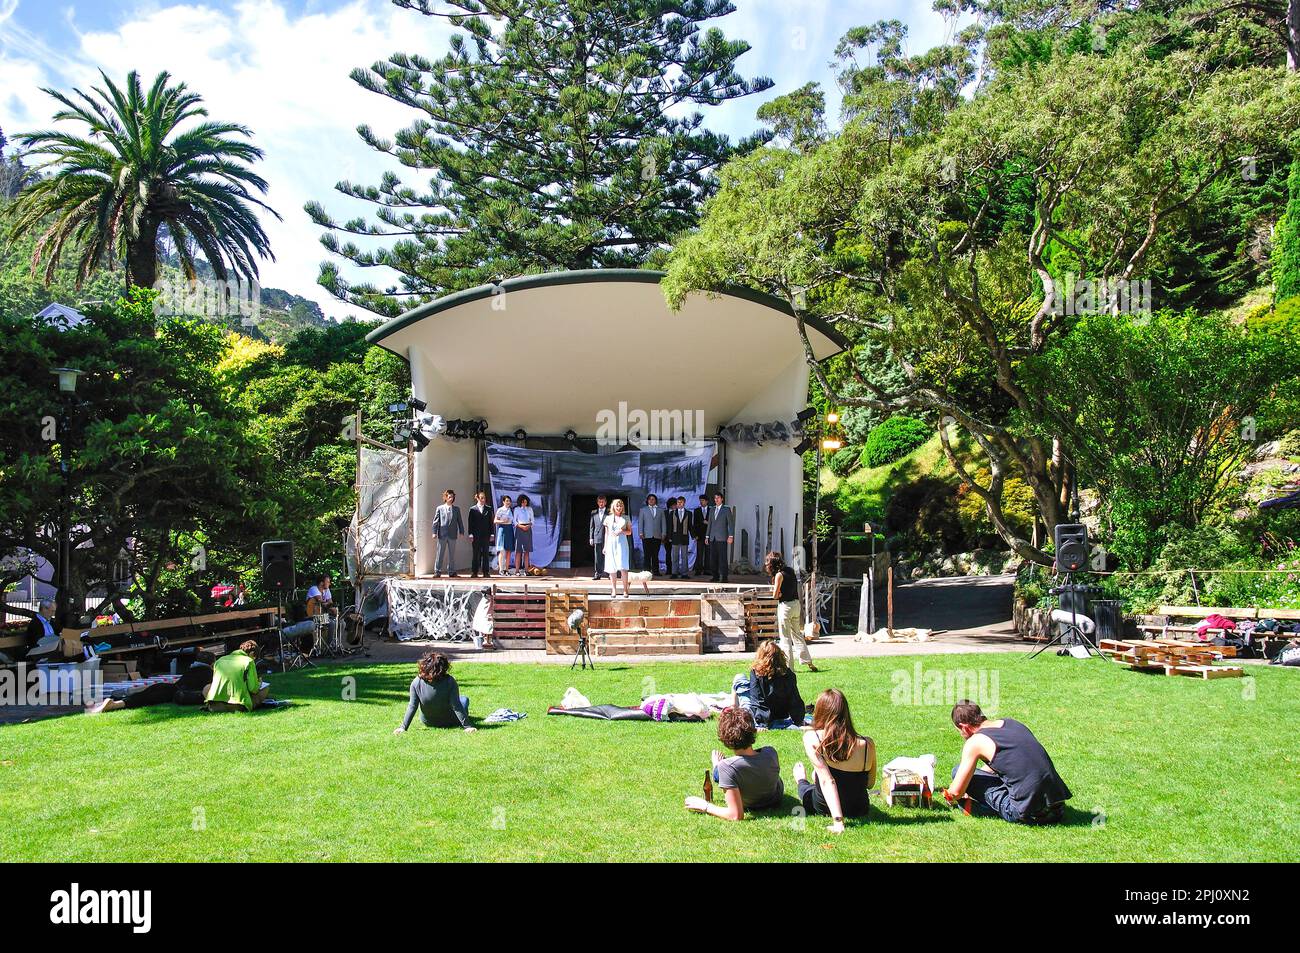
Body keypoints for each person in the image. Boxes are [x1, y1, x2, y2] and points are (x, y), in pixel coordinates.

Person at [941, 700, 1072, 824]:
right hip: (1058, 808)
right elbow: (1007, 762)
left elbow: (956, 792)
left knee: (957, 771)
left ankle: (981, 808)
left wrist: (949, 796)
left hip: (1030, 814)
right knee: (972, 777)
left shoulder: (975, 741)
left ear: (964, 727)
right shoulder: (1012, 723)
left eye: (959, 731)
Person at [794, 689, 875, 832]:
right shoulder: (867, 743)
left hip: (824, 806)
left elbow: (828, 781)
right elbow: (870, 784)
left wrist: (838, 821)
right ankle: (811, 778)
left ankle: (801, 779)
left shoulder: (813, 737)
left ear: (820, 711)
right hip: (859, 808)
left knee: (806, 790)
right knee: (817, 776)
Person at [684, 706, 783, 821]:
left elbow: (735, 815)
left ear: (725, 738)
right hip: (775, 799)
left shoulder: (727, 767)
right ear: (752, 731)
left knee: (721, 771)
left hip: (751, 803)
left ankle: (716, 767)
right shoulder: (770, 752)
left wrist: (705, 806)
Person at [394, 651, 475, 733]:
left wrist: (403, 727)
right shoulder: (450, 681)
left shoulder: (416, 682)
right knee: (464, 700)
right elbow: (456, 705)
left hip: (427, 721)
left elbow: (412, 706)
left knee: (462, 699)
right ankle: (463, 719)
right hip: (450, 721)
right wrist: (467, 726)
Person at [734, 640, 804, 728]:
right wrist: (798, 720)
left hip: (761, 716)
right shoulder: (788, 673)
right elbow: (795, 699)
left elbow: (756, 700)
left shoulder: (756, 672)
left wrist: (762, 724)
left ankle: (733, 707)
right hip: (781, 715)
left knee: (739, 677)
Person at [767, 551, 815, 671]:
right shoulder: (790, 570)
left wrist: (779, 594)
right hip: (796, 605)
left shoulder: (779, 575)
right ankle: (808, 661)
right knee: (797, 634)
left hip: (785, 607)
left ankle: (789, 667)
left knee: (785, 638)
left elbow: (775, 595)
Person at [204, 641, 269, 712]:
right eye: (254, 657)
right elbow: (253, 688)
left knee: (207, 687)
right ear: (252, 653)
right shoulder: (249, 661)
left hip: (215, 705)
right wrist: (259, 684)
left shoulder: (219, 661)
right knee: (265, 688)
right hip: (238, 705)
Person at [603, 498, 633, 597]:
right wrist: (605, 546)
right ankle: (614, 590)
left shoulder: (626, 518)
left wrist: (622, 531)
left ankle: (625, 590)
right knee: (612, 568)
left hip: (622, 543)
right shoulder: (608, 518)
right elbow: (606, 533)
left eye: (620, 506)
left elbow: (629, 532)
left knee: (623, 567)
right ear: (613, 507)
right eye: (617, 506)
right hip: (611, 543)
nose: (619, 508)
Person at [432, 489, 464, 577]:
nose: (451, 498)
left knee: (452, 554)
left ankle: (451, 571)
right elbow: (436, 521)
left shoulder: (456, 509)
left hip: (452, 534)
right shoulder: (440, 508)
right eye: (449, 497)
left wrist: (461, 531)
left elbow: (459, 521)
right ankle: (437, 571)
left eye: (452, 497)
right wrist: (434, 532)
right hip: (442, 534)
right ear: (446, 498)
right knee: (440, 553)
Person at [706, 492, 734, 583]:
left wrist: (731, 536)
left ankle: (724, 577)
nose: (716, 500)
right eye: (715, 498)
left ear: (722, 499)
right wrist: (707, 536)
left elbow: (730, 524)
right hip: (712, 537)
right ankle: (715, 576)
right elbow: (709, 524)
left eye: (718, 498)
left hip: (722, 537)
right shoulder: (712, 509)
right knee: (713, 558)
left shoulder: (726, 509)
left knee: (722, 558)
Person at [467, 490, 494, 578]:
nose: (483, 500)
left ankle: (486, 572)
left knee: (485, 553)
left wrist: (492, 534)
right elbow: (470, 522)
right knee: (476, 553)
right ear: (477, 498)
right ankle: (474, 572)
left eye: (484, 498)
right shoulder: (473, 509)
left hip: (486, 534)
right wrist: (470, 534)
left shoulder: (488, 509)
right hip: (476, 535)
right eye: (481, 498)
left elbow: (491, 522)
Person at [306, 573, 338, 646]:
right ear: (321, 583)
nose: (329, 584)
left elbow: (330, 603)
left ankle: (335, 642)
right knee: (332, 623)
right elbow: (321, 602)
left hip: (321, 615)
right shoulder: (314, 589)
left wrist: (333, 608)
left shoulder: (327, 590)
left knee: (341, 622)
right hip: (312, 615)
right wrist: (330, 607)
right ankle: (329, 645)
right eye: (328, 582)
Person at [640, 493, 665, 574]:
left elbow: (663, 523)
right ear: (647, 501)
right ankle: (647, 571)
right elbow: (640, 522)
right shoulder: (643, 510)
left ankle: (656, 571)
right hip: (646, 535)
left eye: (653, 499)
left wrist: (663, 533)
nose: (651, 500)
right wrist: (640, 532)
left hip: (657, 535)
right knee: (647, 554)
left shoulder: (660, 510)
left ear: (655, 501)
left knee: (655, 554)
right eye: (649, 499)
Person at [669, 496, 691, 579]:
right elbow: (670, 526)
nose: (679, 504)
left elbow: (690, 526)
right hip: (675, 537)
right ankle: (674, 573)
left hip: (684, 537)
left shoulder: (689, 513)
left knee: (684, 556)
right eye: (678, 502)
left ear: (684, 503)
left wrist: (694, 536)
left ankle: (684, 573)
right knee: (675, 556)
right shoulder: (672, 513)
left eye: (681, 502)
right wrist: (670, 537)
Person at [513, 494, 535, 574]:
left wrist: (528, 526)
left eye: (525, 502)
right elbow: (514, 521)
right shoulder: (517, 509)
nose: (524, 504)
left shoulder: (530, 509)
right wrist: (521, 526)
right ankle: (517, 570)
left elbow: (532, 520)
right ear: (520, 502)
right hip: (519, 528)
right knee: (518, 551)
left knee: (527, 551)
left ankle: (526, 570)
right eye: (522, 502)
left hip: (528, 529)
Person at [588, 494, 609, 579]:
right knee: (597, 556)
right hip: (597, 537)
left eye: (602, 502)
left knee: (607, 555)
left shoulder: (609, 512)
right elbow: (591, 526)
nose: (601, 503)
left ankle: (608, 573)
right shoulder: (593, 512)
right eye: (600, 502)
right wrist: (591, 537)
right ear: (597, 502)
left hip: (607, 537)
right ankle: (598, 573)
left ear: (605, 502)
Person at [494, 495, 515, 575]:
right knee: (502, 550)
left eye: (509, 501)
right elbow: (495, 521)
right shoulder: (500, 510)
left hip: (509, 530)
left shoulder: (511, 510)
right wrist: (503, 521)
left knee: (509, 550)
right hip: (502, 529)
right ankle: (501, 569)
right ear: (503, 502)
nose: (508, 502)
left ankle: (506, 569)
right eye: (506, 501)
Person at [691, 494, 710, 576]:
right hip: (699, 535)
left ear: (707, 501)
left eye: (703, 500)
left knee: (708, 553)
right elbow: (694, 524)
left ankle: (707, 570)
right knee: (699, 553)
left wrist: (707, 523)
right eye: (700, 501)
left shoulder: (711, 510)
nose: (701, 502)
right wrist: (695, 535)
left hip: (708, 535)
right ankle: (698, 570)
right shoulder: (697, 510)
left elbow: (713, 522)